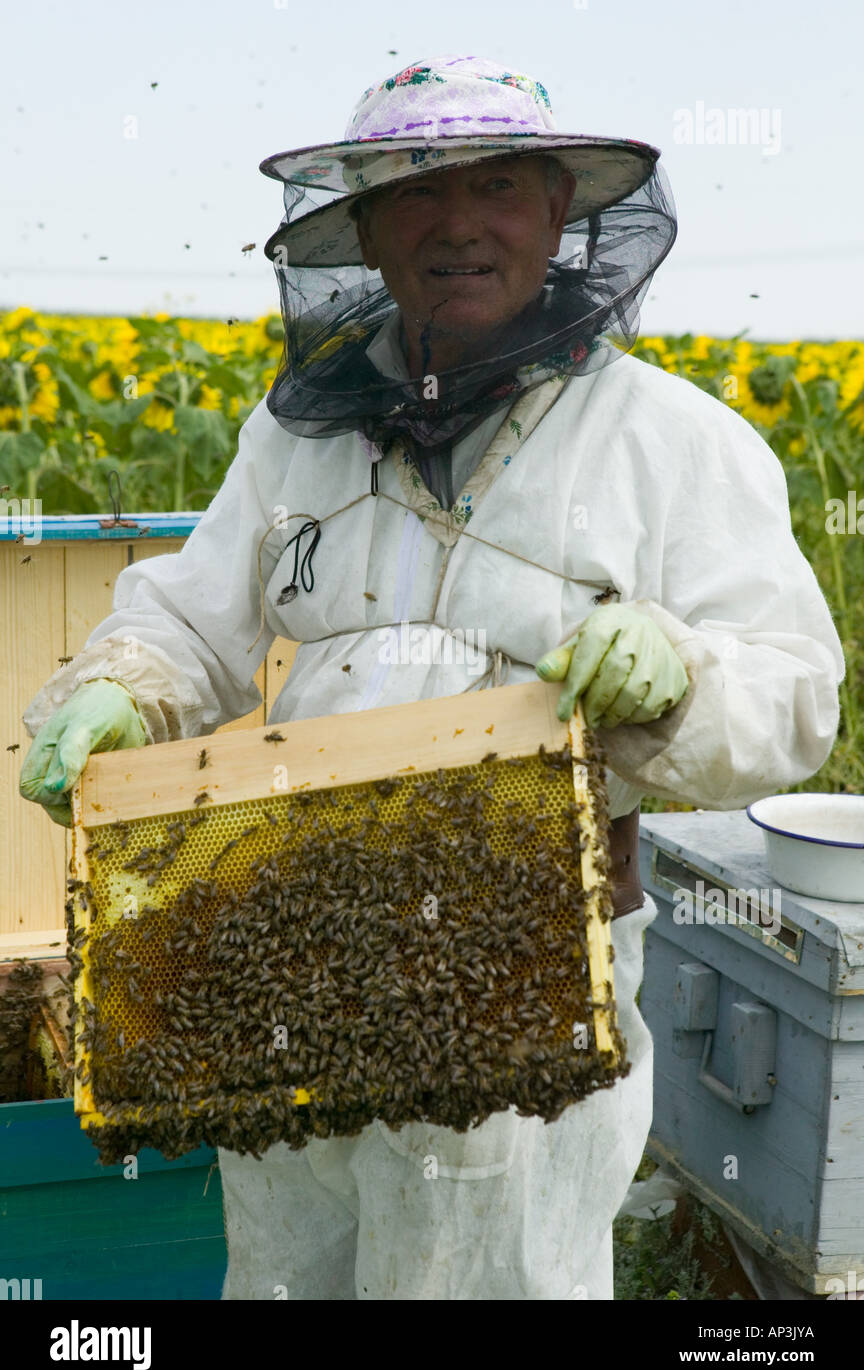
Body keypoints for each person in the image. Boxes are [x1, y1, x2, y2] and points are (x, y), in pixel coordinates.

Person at [19, 55, 844, 1300]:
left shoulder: (673, 442)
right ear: (362, 227)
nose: (458, 222)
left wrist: (680, 673)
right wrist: (118, 686)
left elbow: (795, 696)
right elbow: (192, 623)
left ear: (560, 208)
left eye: (499, 188)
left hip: (522, 990)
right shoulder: (297, 439)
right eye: (414, 192)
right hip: (288, 977)